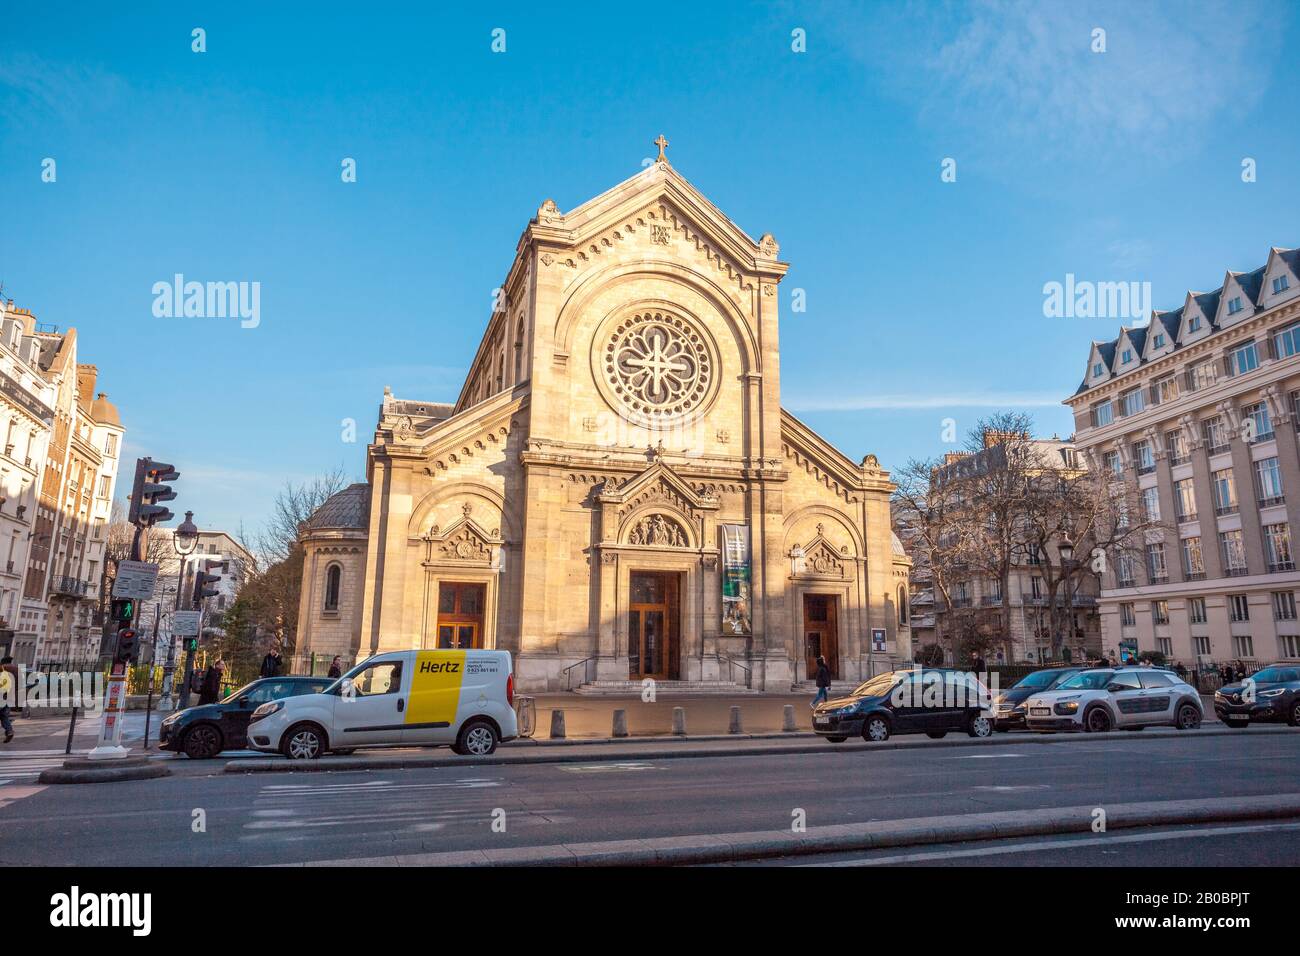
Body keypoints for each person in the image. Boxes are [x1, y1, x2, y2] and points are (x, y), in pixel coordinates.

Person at [0, 656, 18, 743]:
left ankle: (9, 731)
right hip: (10, 696)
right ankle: (9, 731)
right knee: (4, 716)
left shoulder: (2, 668)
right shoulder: (17, 670)